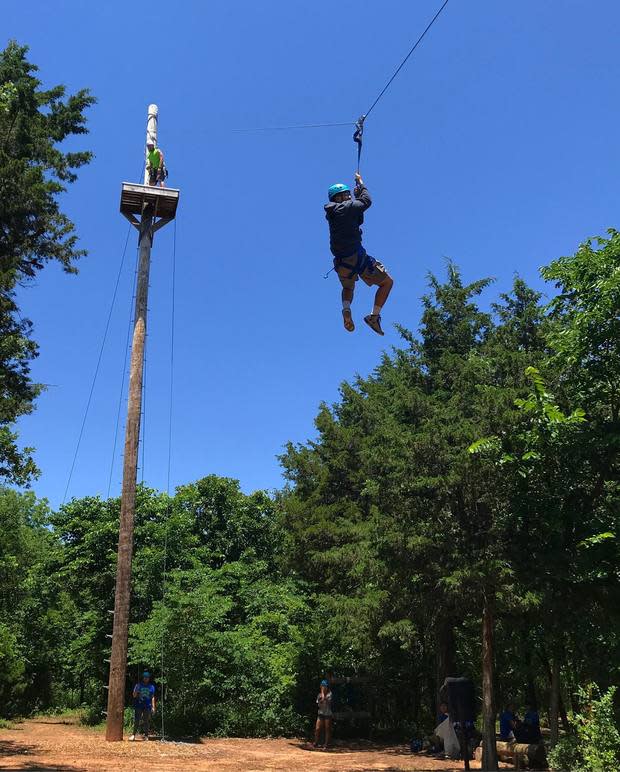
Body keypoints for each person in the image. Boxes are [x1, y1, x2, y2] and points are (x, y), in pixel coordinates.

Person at [325, 173, 393, 336]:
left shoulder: (335, 212)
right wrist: (361, 184)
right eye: (346, 195)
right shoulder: (345, 207)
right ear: (339, 198)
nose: (349, 196)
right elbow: (366, 201)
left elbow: (357, 217)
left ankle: (346, 309)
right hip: (357, 257)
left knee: (348, 287)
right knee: (387, 282)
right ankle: (374, 317)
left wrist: (355, 197)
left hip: (342, 264)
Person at [129, 671, 156, 741]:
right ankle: (133, 735)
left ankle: (146, 735)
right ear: (143, 678)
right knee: (137, 720)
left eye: (147, 677)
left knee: (146, 721)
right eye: (145, 677)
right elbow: (134, 695)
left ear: (149, 678)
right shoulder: (138, 685)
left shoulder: (151, 687)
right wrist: (135, 690)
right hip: (139, 705)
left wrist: (153, 707)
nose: (146, 679)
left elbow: (152, 697)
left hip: (147, 706)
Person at [314, 679, 333, 749]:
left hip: (327, 713)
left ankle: (326, 744)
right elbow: (319, 703)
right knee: (317, 728)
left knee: (327, 729)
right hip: (321, 713)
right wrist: (322, 695)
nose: (323, 688)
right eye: (322, 686)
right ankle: (316, 742)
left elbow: (327, 701)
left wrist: (323, 694)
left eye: (325, 686)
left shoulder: (330, 694)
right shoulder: (319, 695)